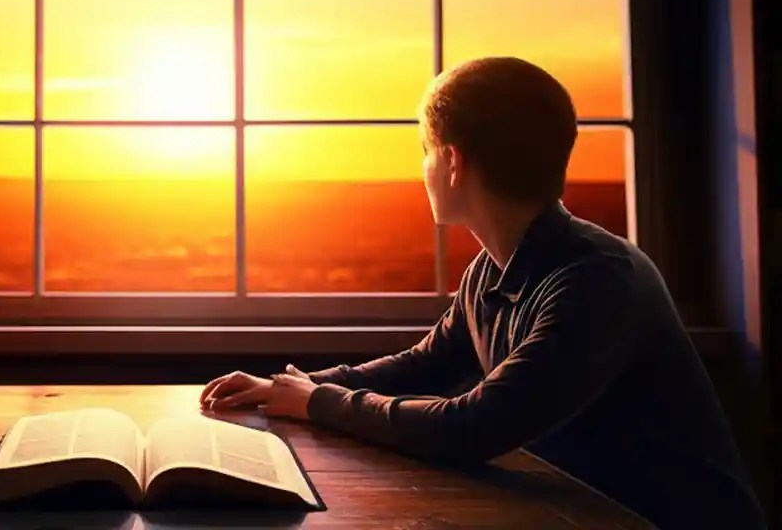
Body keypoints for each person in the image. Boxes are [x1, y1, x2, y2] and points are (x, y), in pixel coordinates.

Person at [200, 57, 766, 529]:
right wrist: (291, 387)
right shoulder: (493, 270)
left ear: (453, 162)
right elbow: (425, 365)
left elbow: (473, 426)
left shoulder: (597, 282)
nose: (423, 167)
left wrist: (315, 402)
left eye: (426, 149)